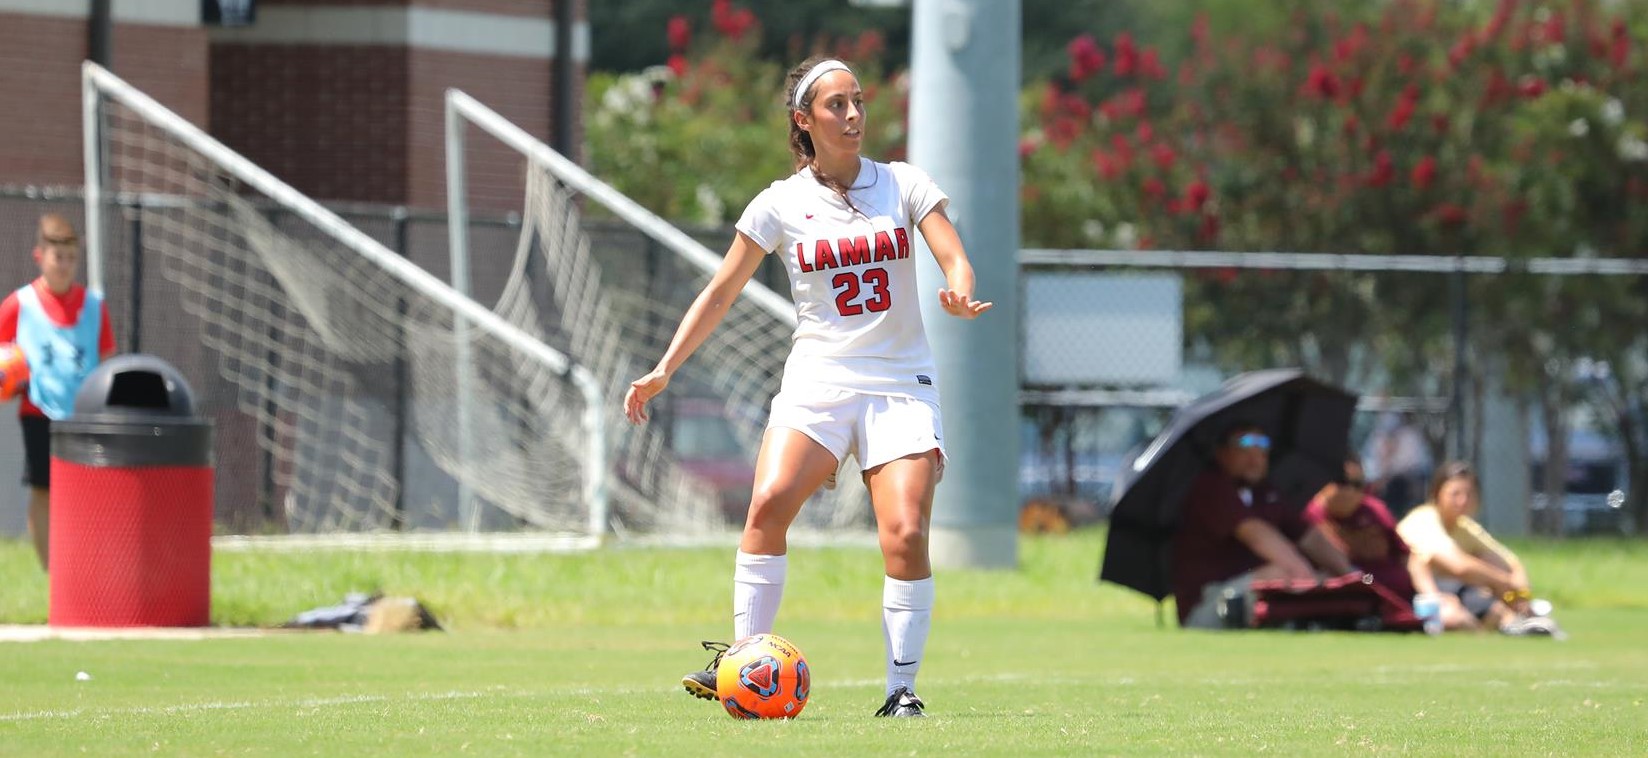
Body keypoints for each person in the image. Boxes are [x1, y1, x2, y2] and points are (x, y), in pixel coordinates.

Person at [622, 56, 993, 718]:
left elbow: (953, 255)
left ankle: (901, 691)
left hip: (899, 384)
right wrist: (665, 368)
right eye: (836, 106)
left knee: (905, 532)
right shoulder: (780, 202)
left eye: (858, 102)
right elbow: (721, 291)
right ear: (804, 120)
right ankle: (740, 664)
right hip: (819, 380)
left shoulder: (902, 184)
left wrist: (961, 291)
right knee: (765, 504)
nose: (853, 116)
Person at [0, 213, 117, 571]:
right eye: (57, 257)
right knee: (43, 490)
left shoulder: (94, 307)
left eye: (70, 258)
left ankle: (85, 565)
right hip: (39, 412)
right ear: (39, 255)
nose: (64, 265)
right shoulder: (19, 304)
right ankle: (52, 573)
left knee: (89, 491)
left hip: (84, 415)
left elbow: (107, 356)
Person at [1171, 422, 1357, 629]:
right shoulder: (1211, 487)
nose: (1255, 455)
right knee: (1281, 575)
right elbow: (1255, 533)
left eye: (1262, 444)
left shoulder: (1266, 492)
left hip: (1251, 592)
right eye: (1244, 444)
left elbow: (1308, 535)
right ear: (1221, 452)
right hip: (1207, 605)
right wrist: (1305, 577)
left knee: (1325, 576)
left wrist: (1353, 577)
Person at [1396, 461, 1561, 636]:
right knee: (1456, 616)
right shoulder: (1423, 520)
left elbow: (1510, 563)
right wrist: (1505, 583)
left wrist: (1520, 594)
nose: (1463, 501)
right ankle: (1507, 621)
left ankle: (1520, 617)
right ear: (1436, 494)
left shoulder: (1464, 527)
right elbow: (1459, 566)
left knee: (1494, 600)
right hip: (1413, 593)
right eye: (1455, 494)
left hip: (1455, 591)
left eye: (1469, 494)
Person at [1302, 456, 1439, 614]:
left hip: (1401, 599)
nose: (1350, 491)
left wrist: (1430, 596)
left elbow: (1407, 556)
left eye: (1357, 485)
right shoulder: (1309, 516)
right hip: (1352, 596)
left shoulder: (1375, 510)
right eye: (1341, 482)